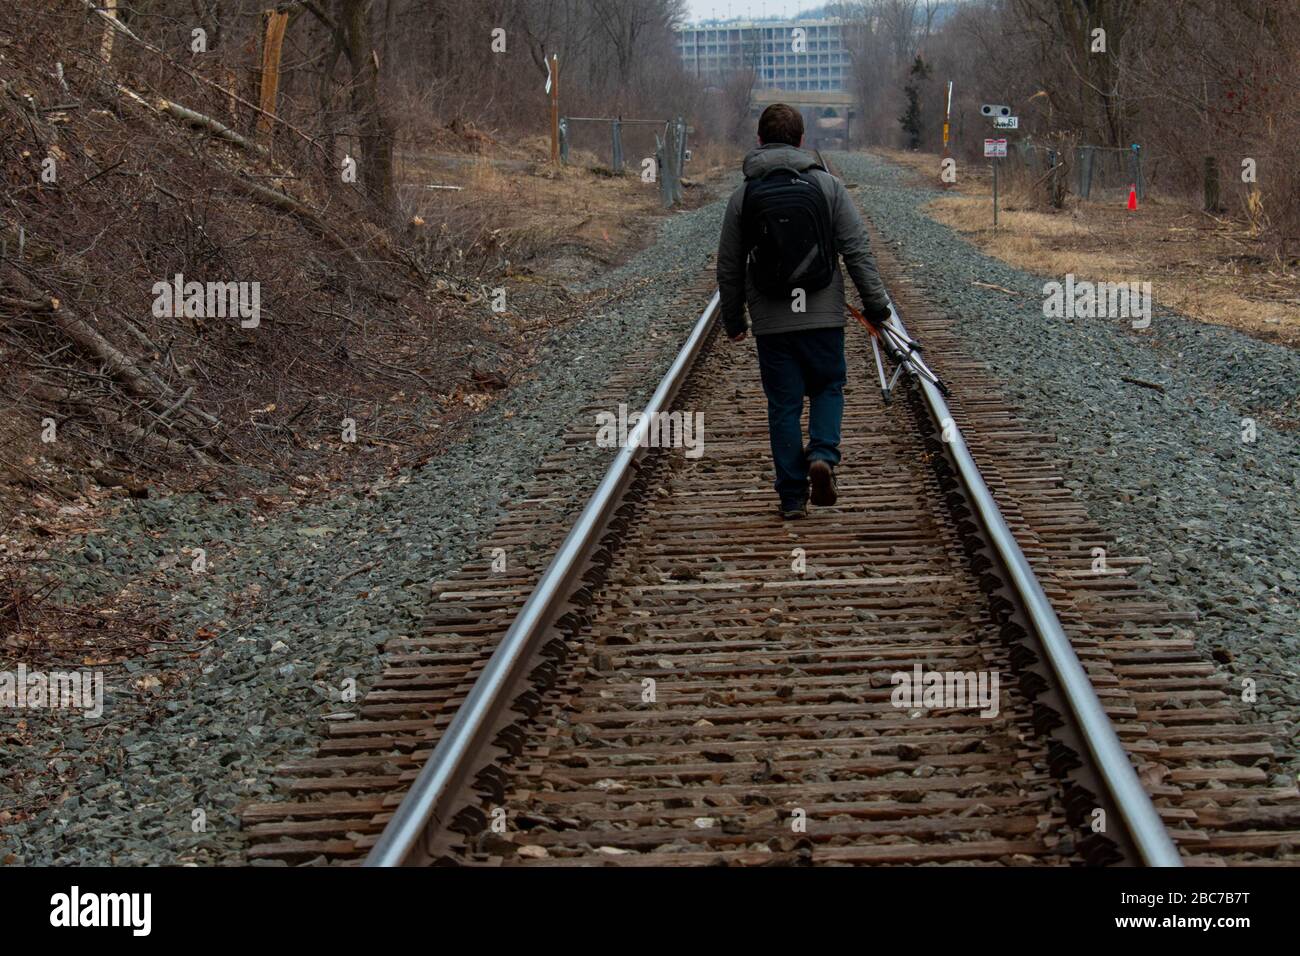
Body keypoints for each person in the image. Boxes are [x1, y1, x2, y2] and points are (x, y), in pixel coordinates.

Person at [716, 103, 894, 519]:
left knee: (783, 405)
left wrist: (733, 319)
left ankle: (792, 496)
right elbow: (856, 250)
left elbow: (729, 264)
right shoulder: (828, 187)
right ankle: (823, 455)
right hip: (823, 316)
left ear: (759, 141)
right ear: (801, 141)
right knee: (829, 386)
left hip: (773, 322)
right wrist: (876, 305)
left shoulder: (743, 196)